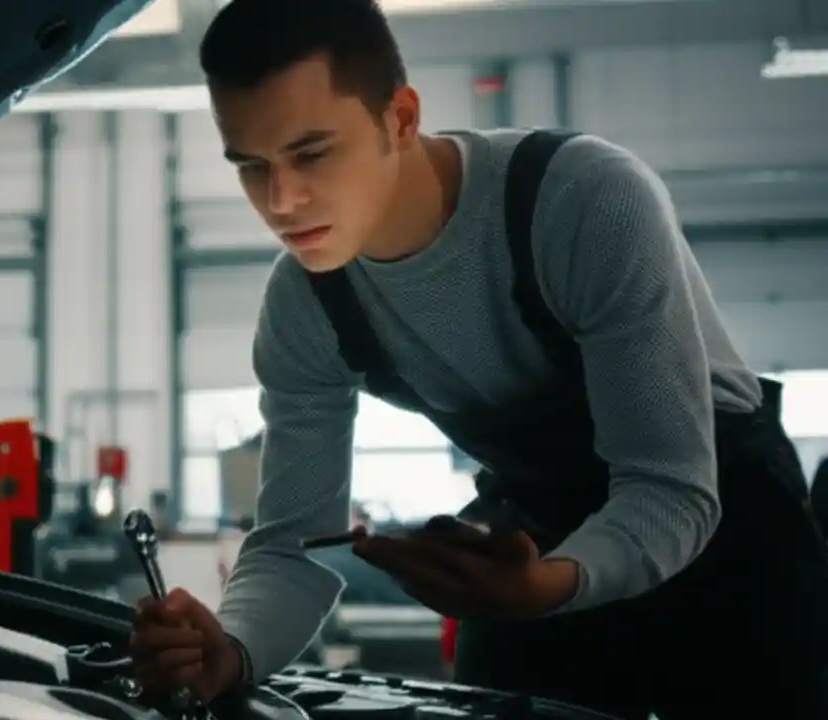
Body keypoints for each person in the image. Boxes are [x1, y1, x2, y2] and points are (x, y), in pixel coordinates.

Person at [128, 1, 828, 717]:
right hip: (532, 548)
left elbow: (669, 488)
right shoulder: (306, 307)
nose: (281, 201)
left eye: (311, 153)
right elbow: (292, 547)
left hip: (727, 540)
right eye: (251, 166)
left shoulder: (584, 203)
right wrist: (232, 648)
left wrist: (549, 584)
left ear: (399, 118)